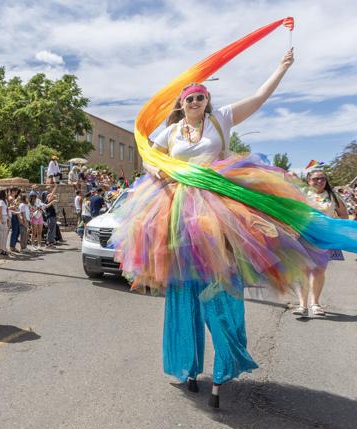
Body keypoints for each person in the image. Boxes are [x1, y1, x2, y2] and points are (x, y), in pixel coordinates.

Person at [113, 48, 320, 408]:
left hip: (219, 208)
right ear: (182, 103)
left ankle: (223, 370)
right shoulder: (172, 130)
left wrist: (281, 67)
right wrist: (158, 171)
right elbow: (147, 155)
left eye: (201, 97)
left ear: (208, 101)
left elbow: (258, 98)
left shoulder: (221, 119)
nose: (195, 101)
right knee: (183, 292)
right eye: (190, 98)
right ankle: (186, 366)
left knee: (220, 287)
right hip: (175, 210)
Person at [293, 170, 348, 317]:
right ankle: (302, 305)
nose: (319, 182)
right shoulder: (301, 194)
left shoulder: (333, 196)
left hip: (324, 238)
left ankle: (315, 303)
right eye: (316, 179)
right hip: (304, 235)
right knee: (302, 270)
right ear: (308, 180)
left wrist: (336, 228)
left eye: (322, 179)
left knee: (319, 270)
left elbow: (343, 214)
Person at [0, 189, 10, 256]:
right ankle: (1, 249)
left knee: (4, 235)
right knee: (2, 235)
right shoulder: (1, 201)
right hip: (2, 218)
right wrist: (2, 220)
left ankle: (3, 249)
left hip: (4, 217)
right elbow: (0, 212)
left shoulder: (4, 201)